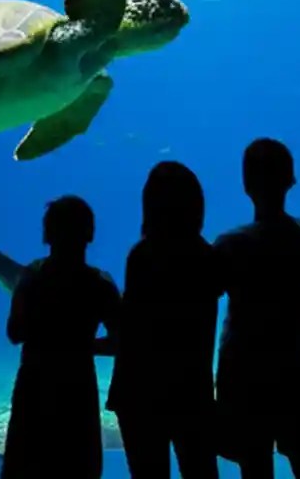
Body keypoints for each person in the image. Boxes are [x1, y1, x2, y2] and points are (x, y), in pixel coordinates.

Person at [213, 138, 300, 479]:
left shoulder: (232, 245)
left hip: (246, 377)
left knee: (254, 467)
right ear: (291, 180)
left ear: (246, 184)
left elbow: (200, 303)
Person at [106, 161, 222, 479]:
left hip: (139, 391)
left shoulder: (141, 256)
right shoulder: (209, 257)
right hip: (191, 392)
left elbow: (132, 329)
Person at [1, 195, 122, 479]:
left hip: (34, 388)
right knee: (79, 468)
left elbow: (14, 333)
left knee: (24, 467)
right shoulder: (100, 284)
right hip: (77, 390)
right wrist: (81, 345)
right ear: (90, 234)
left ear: (47, 234)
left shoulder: (31, 276)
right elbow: (122, 341)